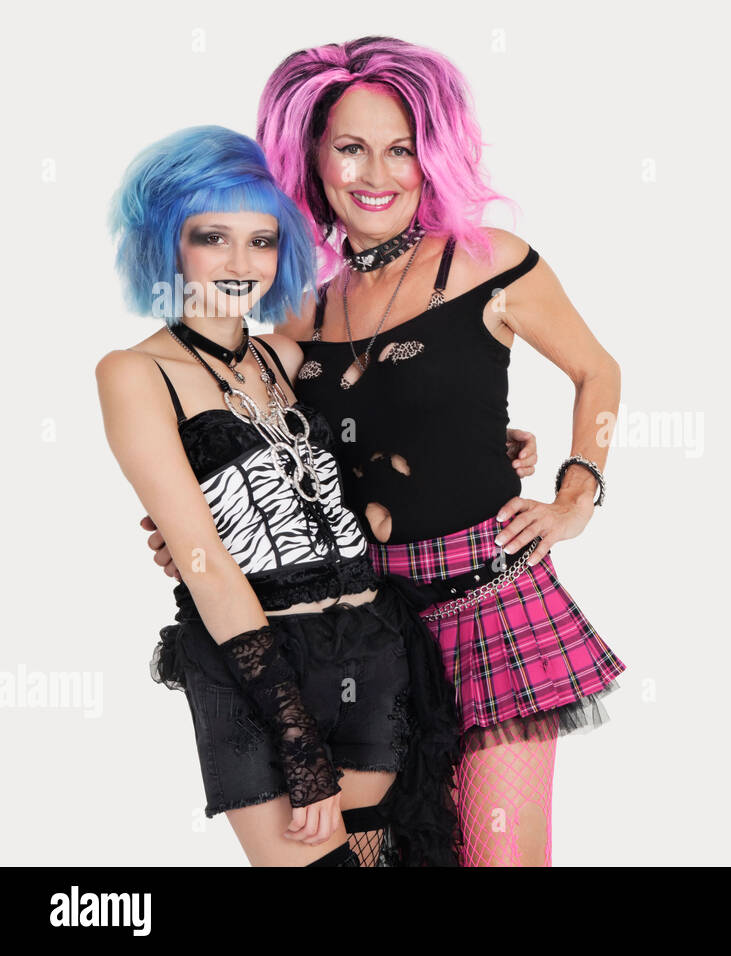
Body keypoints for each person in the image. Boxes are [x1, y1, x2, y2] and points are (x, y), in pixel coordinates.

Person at [146, 36, 628, 866]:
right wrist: (194, 527)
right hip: (361, 622)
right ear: (315, 160)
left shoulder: (490, 264)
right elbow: (274, 448)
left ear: (430, 156)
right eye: (351, 148)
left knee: (502, 857)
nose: (377, 173)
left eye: (400, 148)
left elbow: (598, 369)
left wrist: (578, 489)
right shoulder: (303, 311)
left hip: (489, 601)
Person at [98, 125, 461, 866]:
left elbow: (395, 438)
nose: (240, 263)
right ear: (168, 244)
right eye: (213, 238)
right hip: (254, 667)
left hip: (371, 650)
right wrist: (299, 742)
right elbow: (207, 567)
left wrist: (505, 443)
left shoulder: (286, 356)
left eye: (261, 241)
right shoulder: (134, 374)